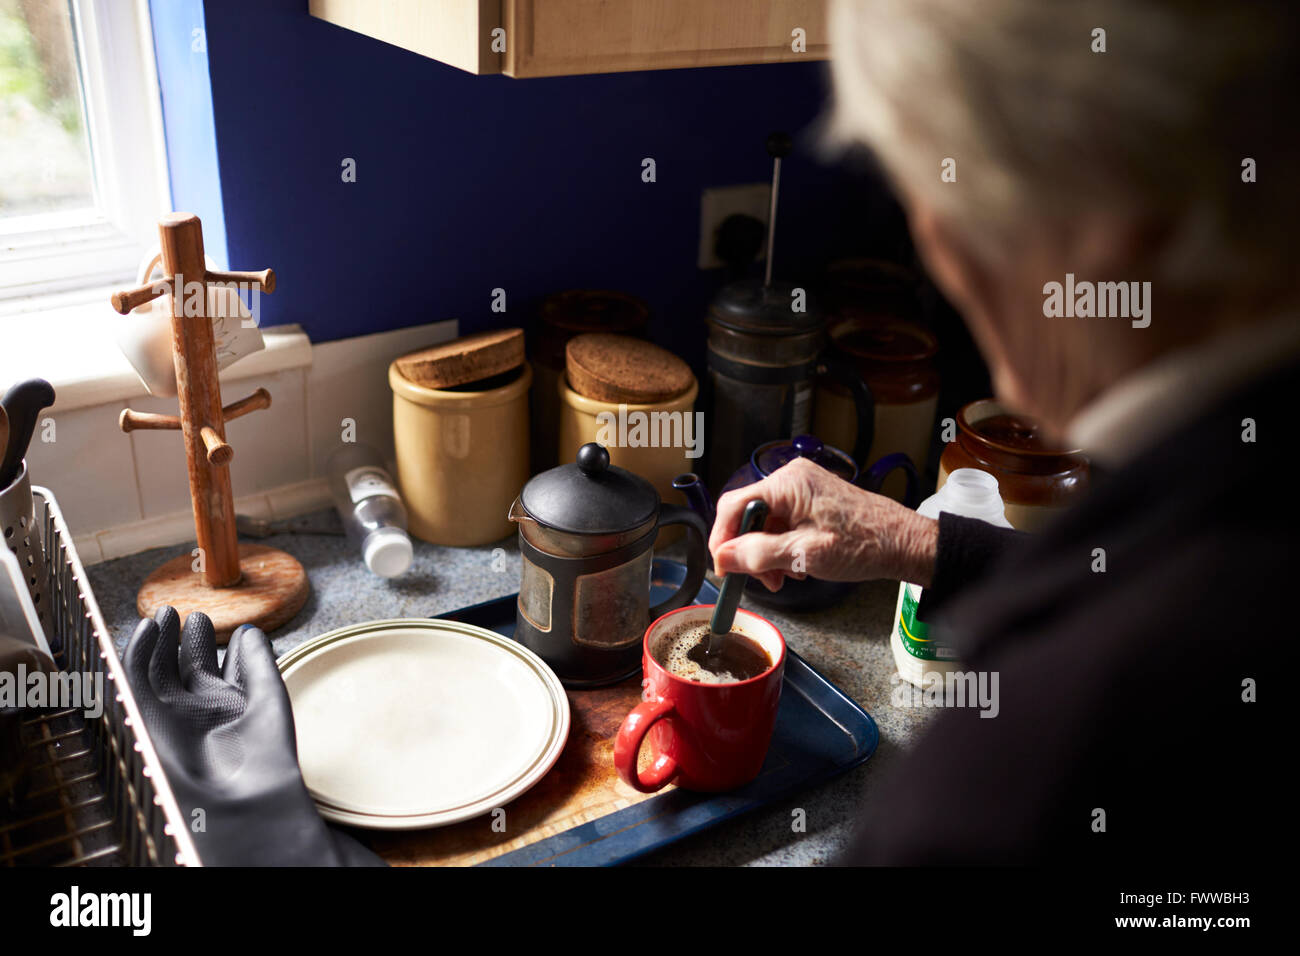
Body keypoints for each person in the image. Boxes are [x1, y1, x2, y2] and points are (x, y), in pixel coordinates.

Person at [709, 0, 1296, 864]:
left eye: (940, 196)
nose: (934, 243)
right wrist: (913, 540)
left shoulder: (1026, 769)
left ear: (1101, 213)